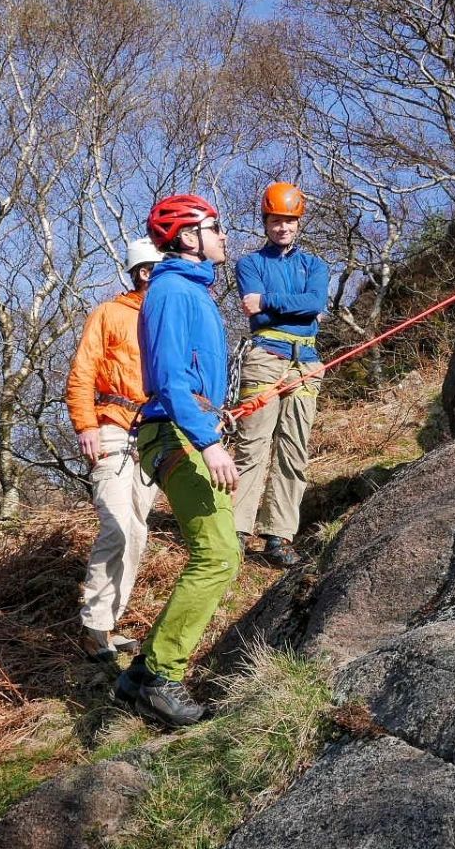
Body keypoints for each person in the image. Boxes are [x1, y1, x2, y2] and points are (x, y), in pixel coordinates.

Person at [114, 194, 240, 729]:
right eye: (216, 226)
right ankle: (163, 679)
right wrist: (208, 441)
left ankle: (141, 674)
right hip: (176, 435)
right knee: (218, 554)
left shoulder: (192, 290)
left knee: (217, 552)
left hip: (185, 428)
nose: (224, 235)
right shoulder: (169, 291)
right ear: (188, 237)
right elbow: (168, 379)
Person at [66, 238, 164, 661]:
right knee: (117, 526)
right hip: (111, 429)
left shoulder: (168, 316)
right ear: (144, 272)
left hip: (154, 434)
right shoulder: (107, 314)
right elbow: (82, 372)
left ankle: (107, 625)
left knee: (138, 531)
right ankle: (94, 628)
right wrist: (86, 424)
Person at [231, 182, 328, 568]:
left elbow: (315, 303)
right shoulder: (250, 263)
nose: (282, 227)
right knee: (252, 446)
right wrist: (299, 310)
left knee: (294, 450)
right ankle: (237, 531)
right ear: (265, 222)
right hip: (265, 358)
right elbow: (257, 315)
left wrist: (270, 302)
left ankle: (279, 535)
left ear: (298, 223)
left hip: (305, 363)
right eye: (276, 221)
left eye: (289, 221)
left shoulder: (314, 265)